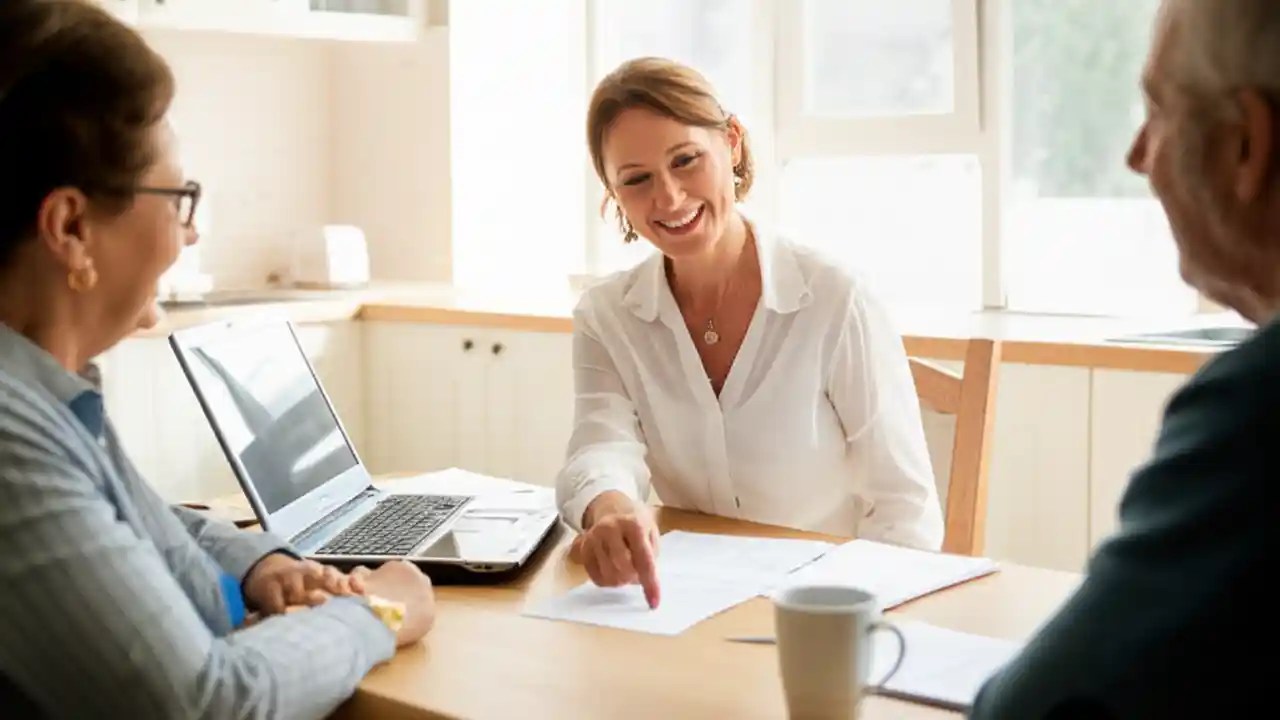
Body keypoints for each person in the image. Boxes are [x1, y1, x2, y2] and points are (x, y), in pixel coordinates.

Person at [0, 2, 435, 717]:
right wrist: (376, 613)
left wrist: (261, 562)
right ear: (72, 229)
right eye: (179, 199)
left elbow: (130, 514)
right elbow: (204, 703)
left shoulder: (47, 396)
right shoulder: (12, 436)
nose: (191, 233)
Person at [969, 1, 1273, 717]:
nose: (1137, 156)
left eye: (1160, 112)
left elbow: (1036, 708)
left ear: (1247, 147)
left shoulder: (1260, 407)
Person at [559, 57, 944, 608]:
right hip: (687, 608)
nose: (667, 198)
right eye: (637, 180)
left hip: (829, 609)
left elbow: (905, 509)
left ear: (732, 143)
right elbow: (598, 447)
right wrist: (612, 506)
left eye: (686, 160)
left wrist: (849, 631)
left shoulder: (836, 298)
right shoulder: (605, 316)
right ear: (613, 193)